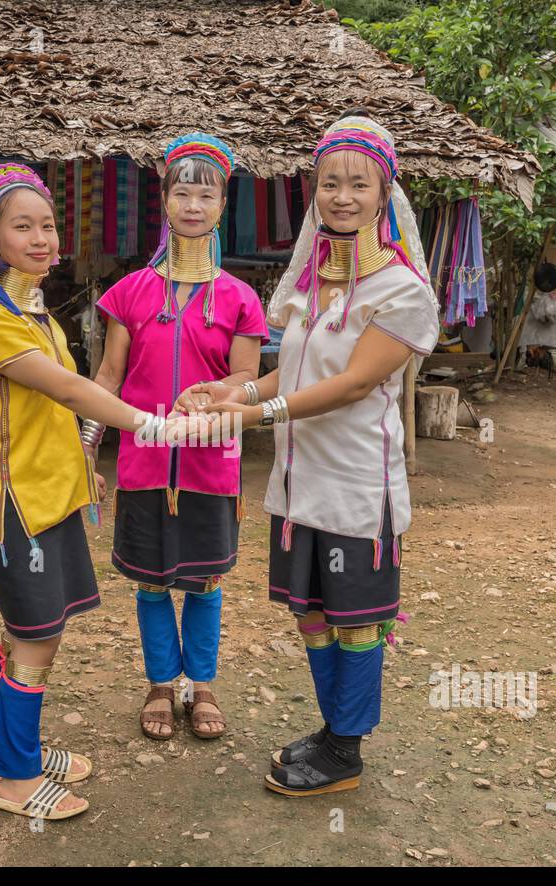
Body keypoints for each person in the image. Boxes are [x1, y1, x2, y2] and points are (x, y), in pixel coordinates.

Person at [182, 115, 440, 796]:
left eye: (358, 183)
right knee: (312, 612)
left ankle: (346, 753)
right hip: (301, 487)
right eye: (330, 183)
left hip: (357, 487)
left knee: (357, 621)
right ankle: (332, 729)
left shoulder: (400, 292)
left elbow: (353, 384)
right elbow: (291, 375)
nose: (342, 196)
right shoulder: (312, 283)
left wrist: (257, 413)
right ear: (315, 192)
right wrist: (232, 387)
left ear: (385, 194)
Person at [0, 163, 198, 820]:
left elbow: (56, 410)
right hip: (13, 511)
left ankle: (16, 747)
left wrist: (86, 461)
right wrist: (150, 424)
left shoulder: (35, 312)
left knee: (40, 634)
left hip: (51, 499)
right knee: (33, 636)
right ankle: (16, 779)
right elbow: (69, 389)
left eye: (48, 224)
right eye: (21, 226)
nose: (40, 237)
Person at [92, 134, 267, 741]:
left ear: (224, 205)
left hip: (210, 460)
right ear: (164, 201)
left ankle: (203, 685)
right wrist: (87, 445)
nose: (194, 205)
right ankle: (162, 685)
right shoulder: (129, 293)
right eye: (183, 192)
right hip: (143, 459)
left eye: (207, 194)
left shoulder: (240, 299)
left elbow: (247, 377)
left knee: (206, 580)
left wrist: (218, 393)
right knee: (150, 581)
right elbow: (108, 378)